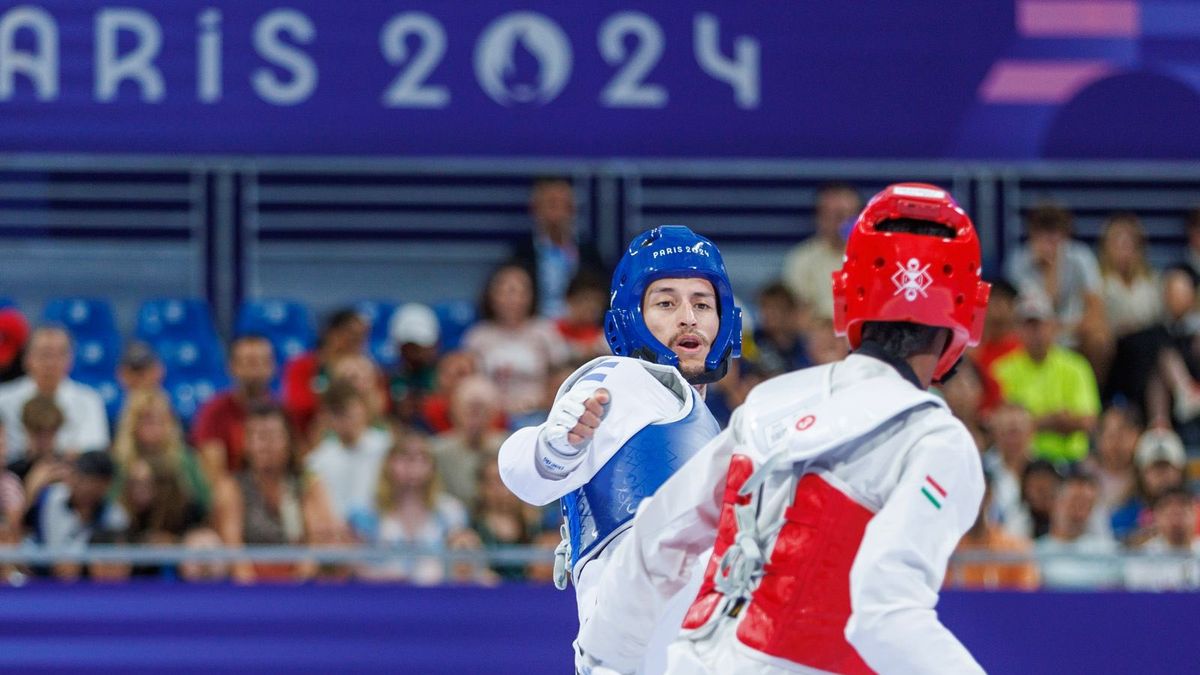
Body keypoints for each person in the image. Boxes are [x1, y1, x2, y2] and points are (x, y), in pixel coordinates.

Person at [574, 184, 991, 674]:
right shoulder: (936, 443)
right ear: (969, 313)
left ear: (845, 299)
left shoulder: (772, 402)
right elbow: (885, 616)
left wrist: (604, 662)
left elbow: (657, 538)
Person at [500, 225, 742, 674]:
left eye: (702, 303)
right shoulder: (625, 381)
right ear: (631, 319)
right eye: (666, 302)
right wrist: (557, 446)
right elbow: (522, 471)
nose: (688, 317)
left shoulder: (715, 431)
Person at [211, 404, 339, 582]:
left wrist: (300, 580)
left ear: (288, 440)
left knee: (335, 547)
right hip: (250, 579)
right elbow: (232, 545)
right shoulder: (232, 487)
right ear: (246, 443)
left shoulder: (306, 483)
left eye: (272, 436)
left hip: (299, 577)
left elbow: (317, 539)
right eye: (257, 436)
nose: (265, 445)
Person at [993, 291, 1101, 463]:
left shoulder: (1076, 366)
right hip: (1022, 461)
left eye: (1040, 325)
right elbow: (999, 423)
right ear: (1017, 330)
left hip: (1070, 460)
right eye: (1028, 325)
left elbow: (1088, 421)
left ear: (1053, 326)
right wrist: (1055, 421)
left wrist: (1031, 423)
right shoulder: (1001, 369)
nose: (1035, 332)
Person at [1004, 203, 1111, 375]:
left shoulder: (1081, 257)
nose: (1049, 241)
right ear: (1032, 234)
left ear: (1065, 234)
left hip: (1073, 329)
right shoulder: (1019, 261)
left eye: (1054, 234)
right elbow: (1036, 309)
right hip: (1033, 328)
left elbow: (1095, 307)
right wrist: (1048, 270)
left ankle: (1094, 390)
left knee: (1099, 339)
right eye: (1042, 233)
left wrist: (1067, 328)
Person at [357, 430, 469, 584]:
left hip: (435, 594)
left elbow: (462, 563)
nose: (413, 466)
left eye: (422, 458)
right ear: (388, 463)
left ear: (432, 467)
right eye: (405, 458)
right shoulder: (366, 512)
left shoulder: (450, 510)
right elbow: (354, 565)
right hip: (383, 595)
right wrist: (381, 576)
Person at [463, 261, 570, 418]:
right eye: (506, 292)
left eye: (520, 292)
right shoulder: (478, 336)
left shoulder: (545, 331)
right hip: (493, 419)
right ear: (491, 295)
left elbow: (563, 375)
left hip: (541, 414)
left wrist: (546, 402)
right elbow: (470, 386)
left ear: (531, 296)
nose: (513, 299)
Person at [0, 326, 109, 459]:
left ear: (70, 359)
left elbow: (94, 452)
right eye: (44, 354)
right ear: (27, 358)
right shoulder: (3, 399)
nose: (51, 363)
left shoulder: (89, 400)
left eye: (59, 354)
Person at [511, 176, 609, 319]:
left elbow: (602, 293)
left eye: (566, 206)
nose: (559, 213)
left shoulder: (589, 254)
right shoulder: (521, 254)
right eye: (552, 204)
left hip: (582, 327)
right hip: (535, 329)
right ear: (535, 209)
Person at [305, 381, 391, 526]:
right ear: (327, 417)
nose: (345, 420)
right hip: (336, 538)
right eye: (337, 413)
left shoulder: (387, 448)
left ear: (363, 408)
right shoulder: (316, 461)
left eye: (350, 411)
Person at [191, 335, 277, 479]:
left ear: (273, 367)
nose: (256, 371)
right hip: (233, 492)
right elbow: (213, 474)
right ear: (232, 367)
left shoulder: (281, 411)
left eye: (263, 362)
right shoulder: (214, 412)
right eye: (250, 362)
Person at [281, 308, 369, 437]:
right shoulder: (302, 366)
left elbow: (376, 410)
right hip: (307, 438)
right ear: (331, 334)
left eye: (361, 338)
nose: (356, 344)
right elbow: (298, 406)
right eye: (351, 337)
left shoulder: (366, 370)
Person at [781, 182, 863, 319]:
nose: (843, 222)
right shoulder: (801, 260)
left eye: (849, 215)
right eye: (837, 216)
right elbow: (796, 316)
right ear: (819, 218)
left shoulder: (875, 258)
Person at [948, 470, 1039, 591]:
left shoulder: (1015, 549)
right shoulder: (946, 548)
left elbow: (1026, 597)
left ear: (989, 495)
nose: (968, 501)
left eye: (974, 494)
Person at [1034, 470, 1121, 590]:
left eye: (1087, 503)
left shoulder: (1107, 551)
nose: (1080, 509)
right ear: (1055, 502)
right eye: (1075, 500)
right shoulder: (1035, 552)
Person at [1123, 486, 1200, 591]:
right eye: (1169, 512)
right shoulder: (1142, 558)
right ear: (1156, 516)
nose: (1176, 518)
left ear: (1195, 513)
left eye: (1183, 509)